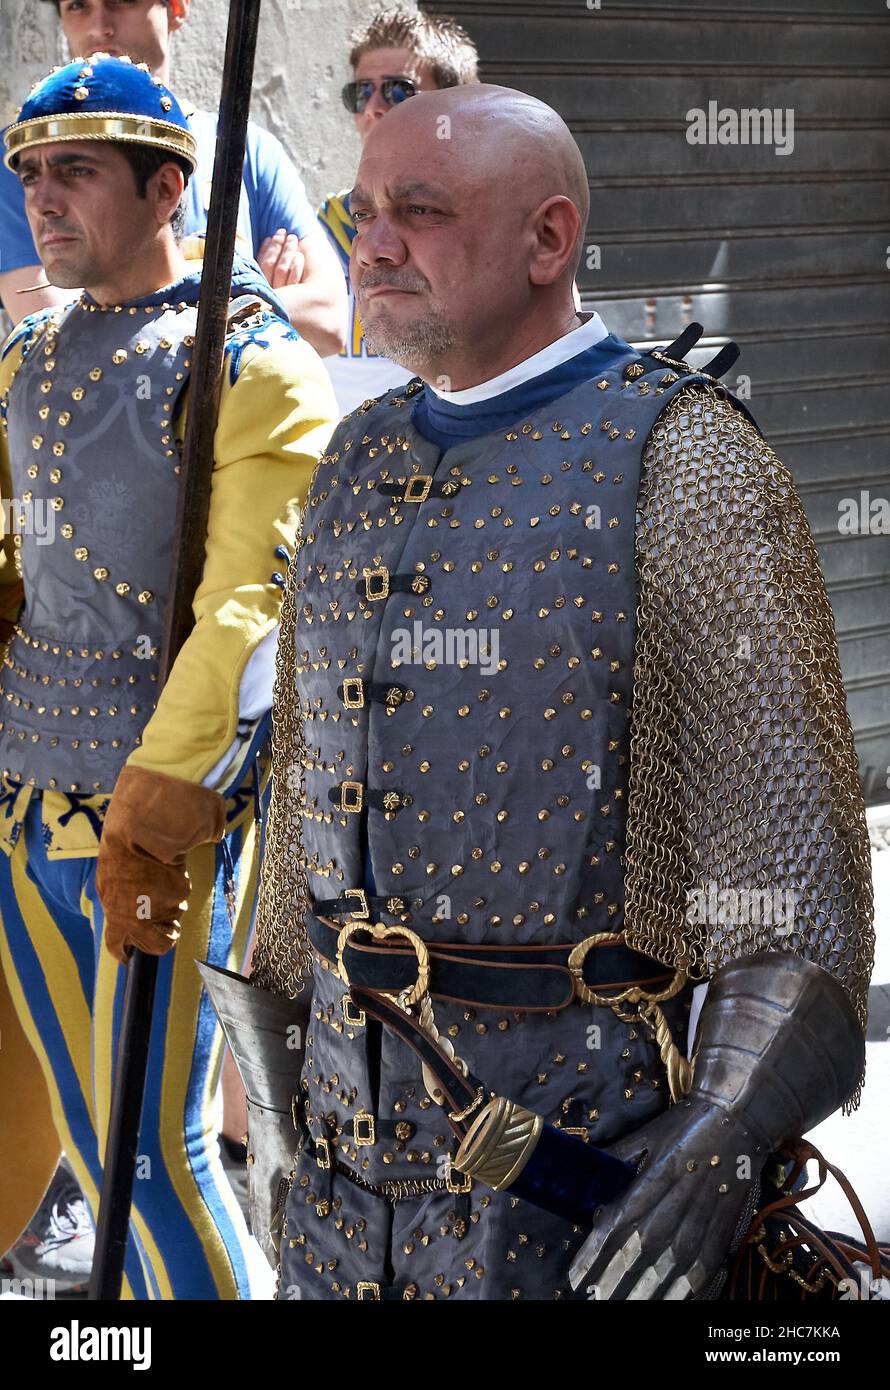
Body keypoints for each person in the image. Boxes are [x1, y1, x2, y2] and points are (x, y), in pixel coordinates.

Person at [245, 83, 874, 1301]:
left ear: (548, 240)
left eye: (418, 210)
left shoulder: (682, 464)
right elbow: (295, 856)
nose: (370, 243)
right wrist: (275, 1108)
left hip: (568, 1185)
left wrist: (723, 1143)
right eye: (359, 208)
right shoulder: (356, 458)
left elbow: (789, 905)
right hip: (337, 1178)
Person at [0, 54, 337, 1298]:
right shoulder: (30, 356)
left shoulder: (248, 361)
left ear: (166, 187)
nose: (43, 198)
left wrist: (161, 797)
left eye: (75, 171)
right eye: (32, 174)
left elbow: (252, 609)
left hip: (155, 813)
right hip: (19, 789)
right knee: (94, 1151)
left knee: (155, 1148)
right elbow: (17, 542)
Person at [0, 0, 347, 358]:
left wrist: (139, 312)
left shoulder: (248, 148)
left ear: (177, 8)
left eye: (122, 2)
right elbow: (59, 336)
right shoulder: (28, 157)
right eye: (78, 6)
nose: (99, 25)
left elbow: (329, 319)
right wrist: (251, 299)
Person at [318, 8, 478, 414]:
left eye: (397, 90)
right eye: (360, 92)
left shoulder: (494, 219)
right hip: (348, 465)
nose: (373, 107)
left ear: (453, 104)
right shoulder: (319, 228)